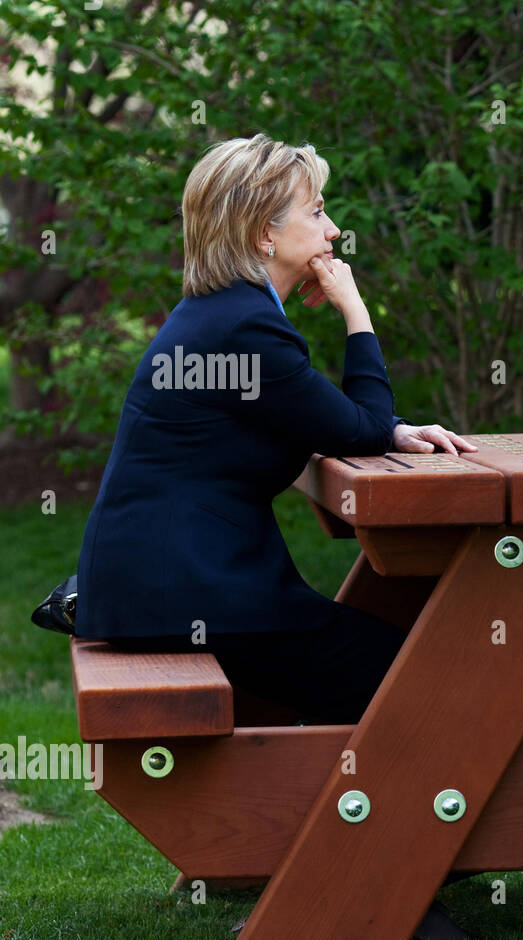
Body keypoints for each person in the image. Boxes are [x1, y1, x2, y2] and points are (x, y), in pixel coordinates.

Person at [75, 134, 477, 725]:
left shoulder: (222, 315)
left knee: (407, 667)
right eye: (316, 213)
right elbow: (358, 431)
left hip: (157, 590)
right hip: (189, 597)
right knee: (428, 679)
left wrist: (385, 428)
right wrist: (355, 311)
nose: (333, 230)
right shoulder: (245, 327)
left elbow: (328, 419)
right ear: (264, 233)